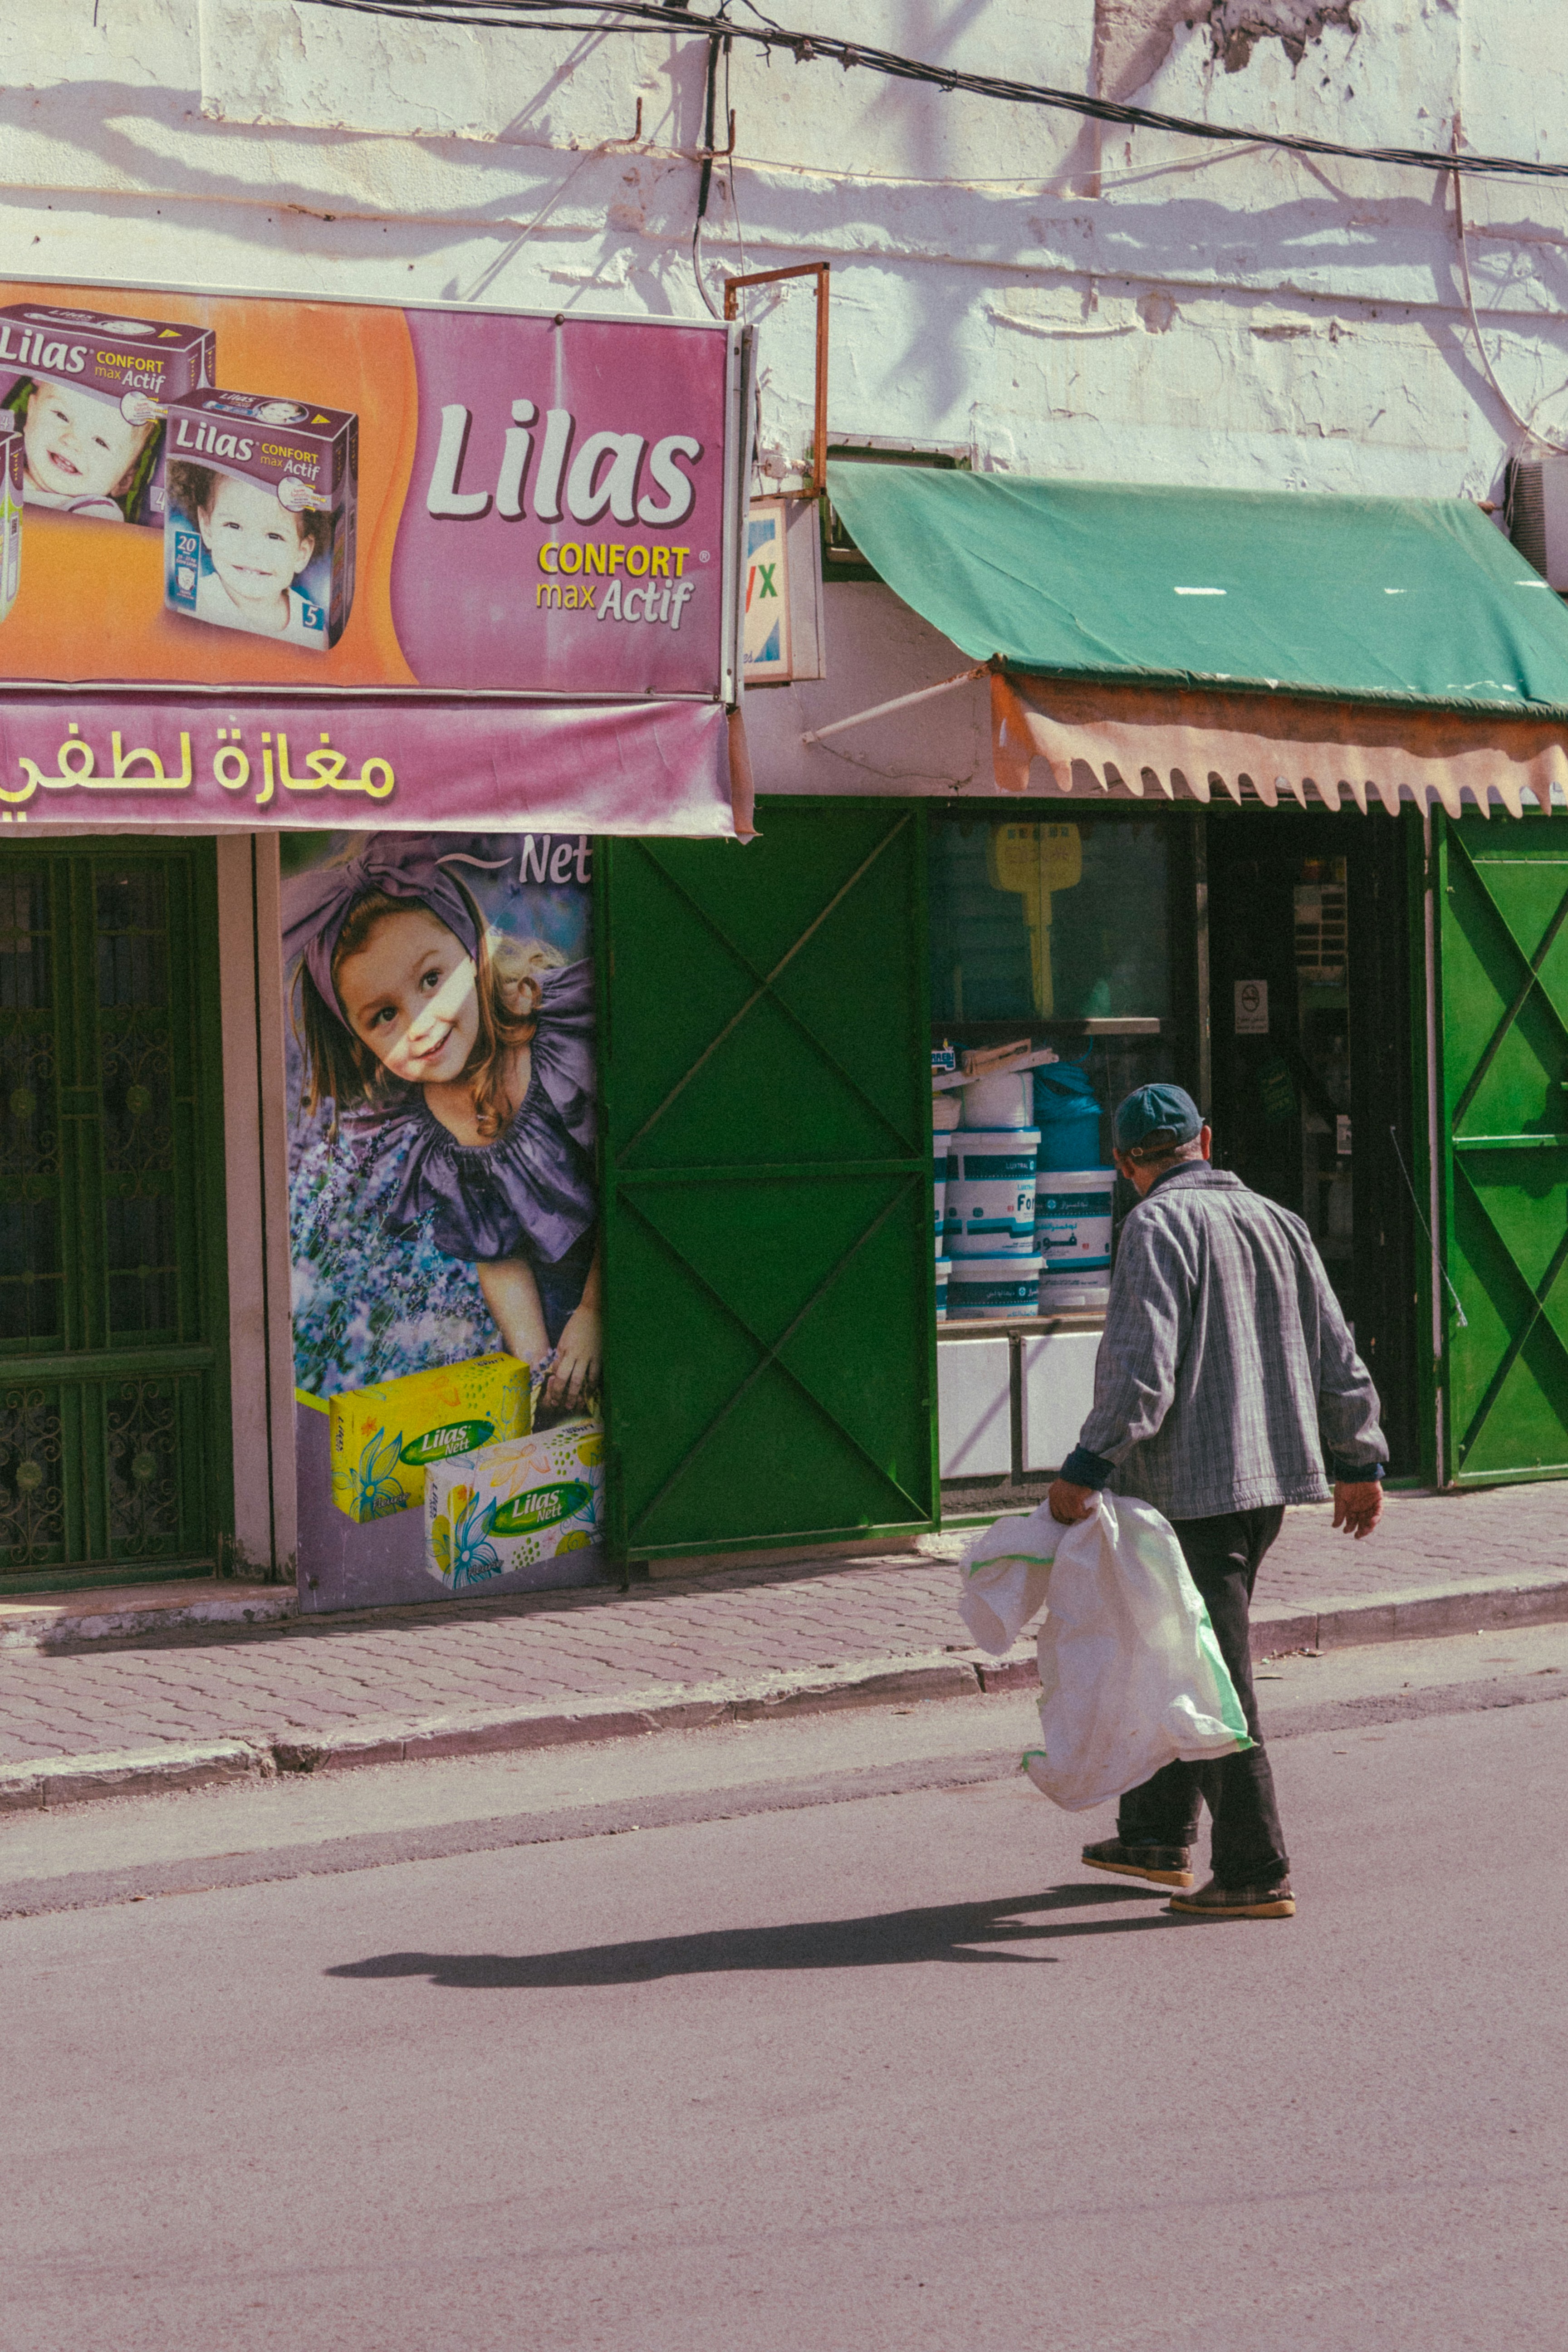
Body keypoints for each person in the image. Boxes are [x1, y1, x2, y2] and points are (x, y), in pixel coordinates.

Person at [1048, 1083, 1386, 1923]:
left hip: (1186, 1494)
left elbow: (1139, 1371)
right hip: (1266, 1483)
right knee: (1170, 1649)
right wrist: (1359, 1457)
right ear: (1204, 1136)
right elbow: (1335, 1350)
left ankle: (1254, 1863)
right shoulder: (1280, 1219)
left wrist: (1085, 1466)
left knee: (1211, 1673)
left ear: (1127, 1163)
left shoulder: (1153, 1226)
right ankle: (1155, 1832)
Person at [284, 838, 601, 1413]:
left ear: (475, 952)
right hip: (557, 1305)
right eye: (384, 1016)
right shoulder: (429, 1131)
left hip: (630, 1270)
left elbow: (626, 1174)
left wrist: (595, 1313)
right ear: (359, 1041)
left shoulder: (555, 1037)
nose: (422, 1024)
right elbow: (499, 1253)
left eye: (432, 980)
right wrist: (532, 1364)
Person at [168, 462, 329, 645]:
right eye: (233, 526)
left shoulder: (310, 625)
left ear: (302, 553)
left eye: (275, 536)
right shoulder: (194, 604)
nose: (252, 551)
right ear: (207, 528)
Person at [7, 375, 157, 519]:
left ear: (124, 481)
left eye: (101, 442)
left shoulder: (96, 511)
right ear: (31, 412)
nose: (72, 441)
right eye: (61, 416)